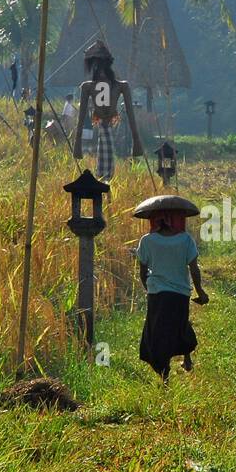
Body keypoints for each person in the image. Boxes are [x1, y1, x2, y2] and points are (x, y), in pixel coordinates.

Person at [137, 208, 208, 380]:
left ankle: (164, 373)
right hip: (180, 294)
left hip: (157, 294)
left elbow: (142, 270)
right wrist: (200, 292)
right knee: (179, 325)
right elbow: (194, 268)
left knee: (158, 333)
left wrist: (149, 289)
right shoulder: (185, 240)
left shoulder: (147, 241)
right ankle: (186, 358)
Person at [74, 41, 143, 181]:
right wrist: (77, 144)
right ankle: (103, 183)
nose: (101, 73)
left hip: (107, 124)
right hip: (103, 124)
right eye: (98, 68)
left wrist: (136, 140)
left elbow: (130, 114)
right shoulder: (88, 87)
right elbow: (81, 117)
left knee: (106, 157)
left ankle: (104, 183)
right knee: (105, 157)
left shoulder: (120, 86)